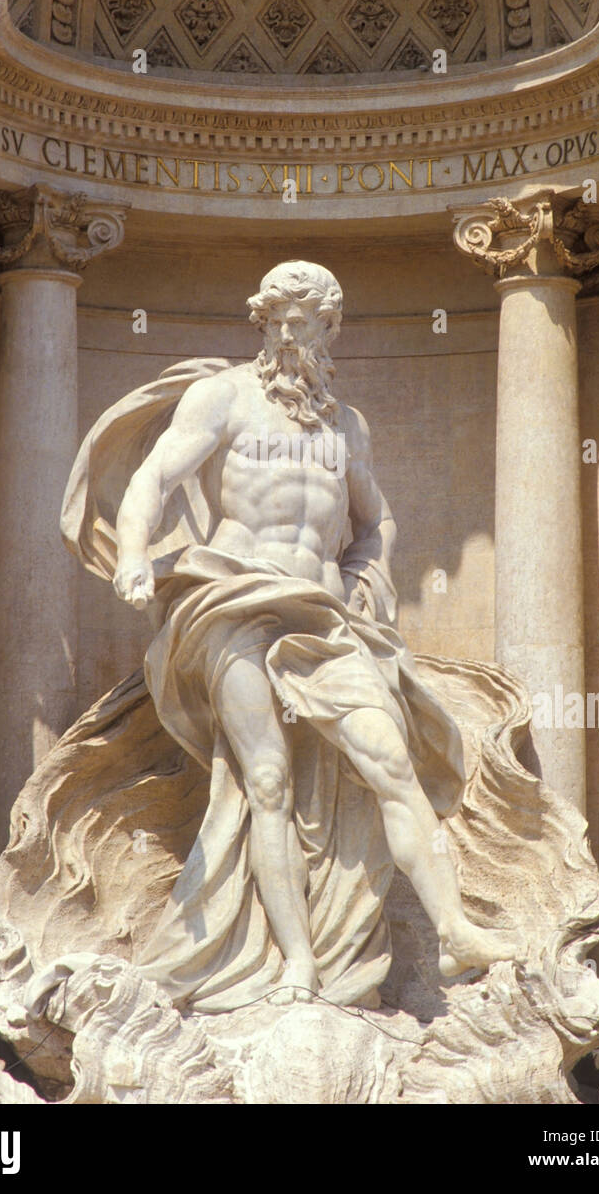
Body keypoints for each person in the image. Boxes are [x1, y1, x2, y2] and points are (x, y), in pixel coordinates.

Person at [105, 261, 519, 1003]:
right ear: (261, 321)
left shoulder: (346, 424)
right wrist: (135, 555)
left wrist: (370, 580)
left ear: (331, 329)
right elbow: (154, 479)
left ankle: (455, 929)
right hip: (232, 601)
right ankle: (295, 961)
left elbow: (376, 519)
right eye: (280, 320)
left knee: (390, 761)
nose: (292, 332)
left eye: (308, 321)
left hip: (325, 618)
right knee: (266, 781)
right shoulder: (221, 398)